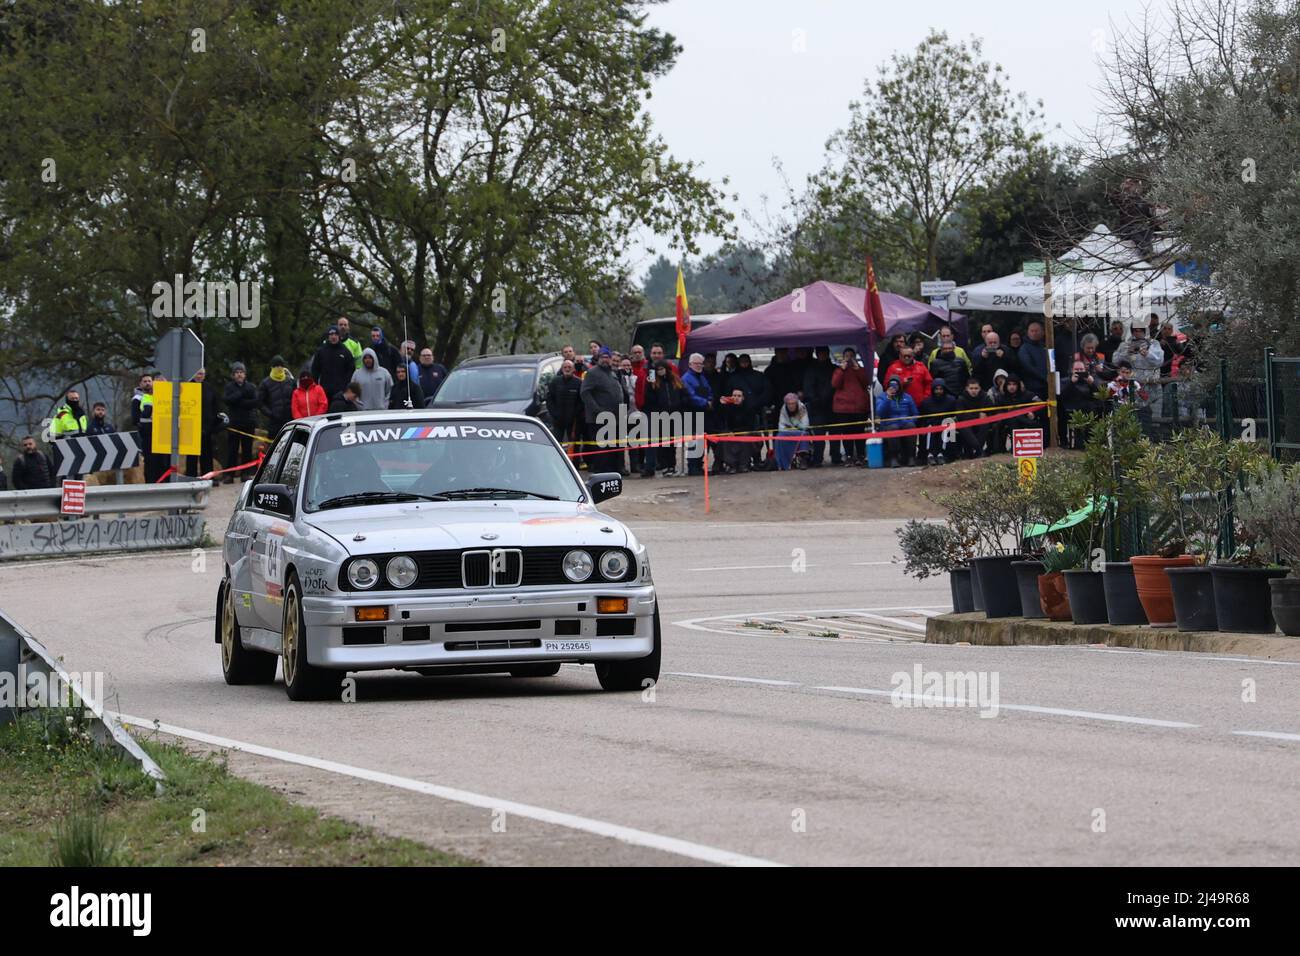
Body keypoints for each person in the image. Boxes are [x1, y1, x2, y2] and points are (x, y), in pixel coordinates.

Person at [580, 347, 625, 475]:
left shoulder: (612, 373)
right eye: (602, 358)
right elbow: (585, 392)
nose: (605, 360)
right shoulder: (592, 373)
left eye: (607, 358)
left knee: (613, 445)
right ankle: (602, 472)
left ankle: (614, 470)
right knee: (601, 446)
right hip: (598, 418)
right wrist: (597, 409)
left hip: (615, 417)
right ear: (598, 359)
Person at [641, 358, 685, 477]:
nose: (660, 371)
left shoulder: (675, 380)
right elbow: (649, 397)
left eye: (662, 369)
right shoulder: (653, 382)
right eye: (658, 369)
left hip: (675, 415)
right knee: (663, 443)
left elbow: (682, 395)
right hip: (660, 416)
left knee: (672, 443)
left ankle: (672, 465)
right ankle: (665, 465)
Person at [831, 347, 872, 466]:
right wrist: (841, 370)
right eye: (847, 356)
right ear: (843, 357)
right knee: (847, 433)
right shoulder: (838, 370)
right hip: (843, 408)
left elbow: (866, 382)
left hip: (859, 407)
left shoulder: (860, 369)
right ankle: (848, 456)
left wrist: (857, 368)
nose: (849, 358)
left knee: (859, 432)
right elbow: (835, 384)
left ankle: (860, 455)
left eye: (851, 356)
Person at [802, 346, 839, 467]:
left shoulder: (834, 369)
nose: (822, 355)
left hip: (833, 407)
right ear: (817, 354)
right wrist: (815, 400)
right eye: (820, 353)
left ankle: (836, 457)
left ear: (828, 354)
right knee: (818, 436)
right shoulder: (811, 370)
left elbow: (837, 386)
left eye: (824, 353)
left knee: (835, 434)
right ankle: (818, 459)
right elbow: (808, 388)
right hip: (816, 407)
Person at [223, 363, 260, 484]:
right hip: (234, 423)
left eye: (241, 372)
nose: (239, 374)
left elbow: (255, 402)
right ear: (233, 375)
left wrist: (239, 402)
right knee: (232, 450)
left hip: (248, 422)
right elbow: (227, 400)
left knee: (247, 450)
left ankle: (246, 473)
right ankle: (229, 475)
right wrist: (241, 395)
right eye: (237, 372)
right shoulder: (229, 387)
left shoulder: (251, 387)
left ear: (245, 374)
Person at [681, 353, 714, 476]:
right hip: (691, 414)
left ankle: (699, 464)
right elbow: (690, 396)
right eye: (696, 363)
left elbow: (709, 390)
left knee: (703, 441)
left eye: (701, 363)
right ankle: (692, 467)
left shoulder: (702, 377)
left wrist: (710, 400)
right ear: (690, 364)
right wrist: (706, 403)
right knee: (694, 441)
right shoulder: (686, 378)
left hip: (704, 413)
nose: (699, 366)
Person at [875, 376, 919, 468]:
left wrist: (910, 420)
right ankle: (893, 458)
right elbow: (879, 413)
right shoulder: (882, 397)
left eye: (896, 385)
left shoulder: (907, 397)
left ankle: (911, 457)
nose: (894, 387)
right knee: (893, 428)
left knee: (910, 426)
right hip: (889, 424)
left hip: (905, 421)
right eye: (891, 385)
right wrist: (888, 398)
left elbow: (915, 413)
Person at [1060, 359, 1102, 448]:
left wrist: (1092, 384)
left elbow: (1098, 395)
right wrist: (1071, 383)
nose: (1079, 372)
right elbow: (1062, 396)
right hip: (1072, 409)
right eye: (1077, 369)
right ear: (1072, 370)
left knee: (1095, 410)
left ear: (1085, 370)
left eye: (1081, 370)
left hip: (1088, 410)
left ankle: (1092, 442)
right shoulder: (1065, 381)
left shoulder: (1090, 379)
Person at [186, 368, 219, 480]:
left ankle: (208, 477)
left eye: (201, 374)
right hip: (191, 427)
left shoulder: (209, 388)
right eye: (198, 374)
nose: (199, 376)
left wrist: (215, 423)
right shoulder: (187, 387)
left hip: (207, 427)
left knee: (207, 455)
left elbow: (215, 407)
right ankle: (191, 477)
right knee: (191, 457)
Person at [918, 379, 958, 465]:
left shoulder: (951, 400)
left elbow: (954, 415)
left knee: (946, 427)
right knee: (929, 428)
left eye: (941, 389)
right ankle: (930, 455)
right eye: (936, 389)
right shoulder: (926, 402)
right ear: (933, 390)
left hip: (945, 424)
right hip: (930, 424)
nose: (938, 391)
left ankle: (941, 454)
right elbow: (922, 417)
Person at [311, 326, 356, 402]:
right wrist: (316, 386)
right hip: (324, 390)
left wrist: (345, 385)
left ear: (339, 336)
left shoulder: (345, 351)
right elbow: (315, 369)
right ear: (328, 336)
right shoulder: (321, 351)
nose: (333, 337)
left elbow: (351, 369)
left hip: (341, 391)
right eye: (331, 334)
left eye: (335, 334)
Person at [718, 387, 756, 473]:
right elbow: (724, 422)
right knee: (725, 437)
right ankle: (732, 465)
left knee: (745, 437)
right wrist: (722, 405)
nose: (736, 398)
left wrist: (736, 433)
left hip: (744, 432)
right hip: (731, 432)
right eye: (734, 395)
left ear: (743, 398)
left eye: (739, 396)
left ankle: (744, 464)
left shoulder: (749, 408)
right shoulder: (728, 408)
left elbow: (750, 425)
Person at [548, 359, 583, 449]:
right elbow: (549, 399)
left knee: (574, 445)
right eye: (565, 367)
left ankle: (575, 462)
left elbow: (582, 401)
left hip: (573, 421)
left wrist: (575, 414)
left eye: (569, 367)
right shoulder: (555, 382)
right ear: (562, 369)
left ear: (574, 369)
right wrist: (554, 414)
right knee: (556, 444)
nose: (567, 369)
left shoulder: (579, 382)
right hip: (558, 420)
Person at [258, 355, 295, 438]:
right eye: (277, 366)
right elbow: (260, 403)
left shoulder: (290, 381)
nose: (279, 368)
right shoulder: (265, 383)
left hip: (290, 421)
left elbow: (296, 397)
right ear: (272, 367)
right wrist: (271, 414)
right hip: (274, 423)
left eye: (281, 365)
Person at [927, 326, 971, 393]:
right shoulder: (934, 353)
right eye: (943, 336)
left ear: (952, 336)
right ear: (940, 337)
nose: (946, 338)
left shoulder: (960, 351)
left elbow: (968, 368)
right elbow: (930, 372)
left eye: (948, 336)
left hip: (959, 389)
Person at [955, 378, 991, 459]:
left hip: (980, 423)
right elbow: (960, 416)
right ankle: (979, 450)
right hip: (967, 424)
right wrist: (978, 415)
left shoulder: (985, 397)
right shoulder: (961, 399)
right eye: (971, 388)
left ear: (980, 388)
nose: (973, 391)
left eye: (976, 388)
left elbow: (991, 411)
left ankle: (978, 451)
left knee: (985, 423)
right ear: (967, 388)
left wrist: (984, 415)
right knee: (963, 426)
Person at [774, 392, 811, 470]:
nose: (791, 405)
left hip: (799, 431)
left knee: (804, 435)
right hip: (788, 432)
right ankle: (782, 463)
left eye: (793, 403)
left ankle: (803, 460)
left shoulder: (802, 408)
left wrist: (794, 425)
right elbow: (781, 426)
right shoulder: (783, 409)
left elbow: (805, 425)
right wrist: (791, 428)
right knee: (779, 437)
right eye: (789, 404)